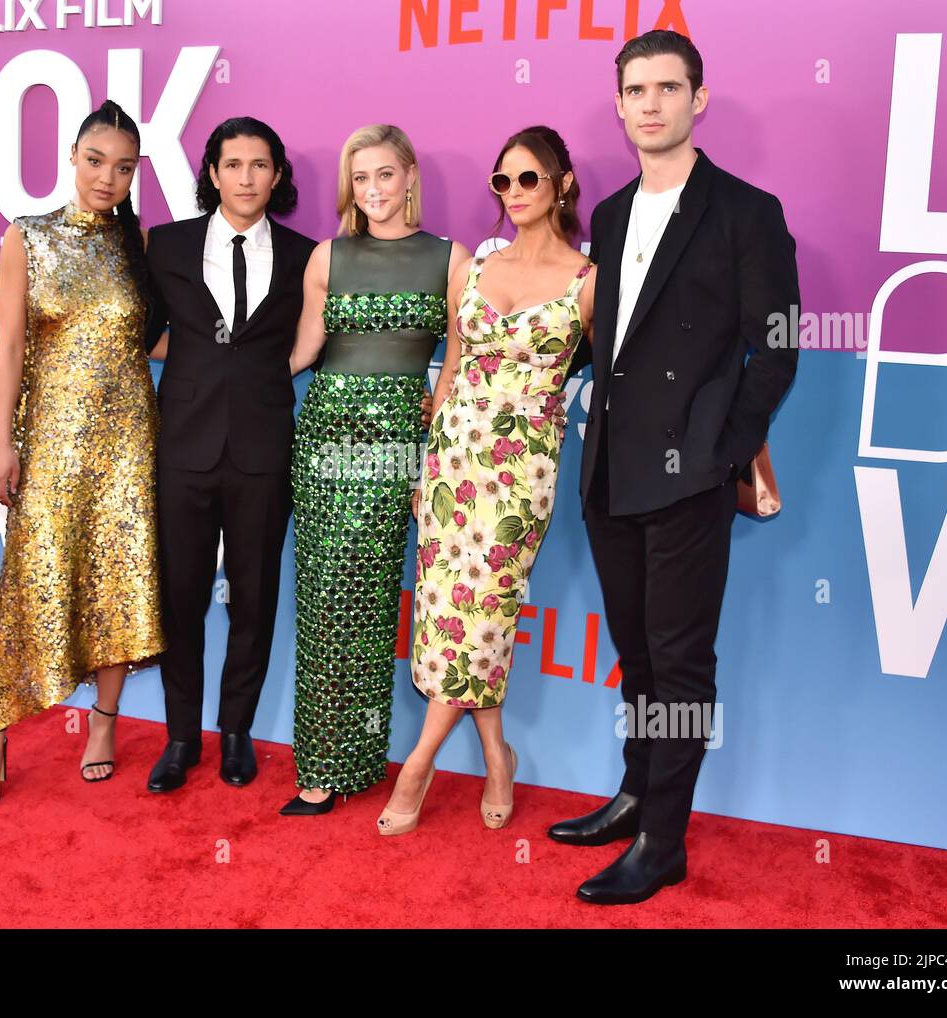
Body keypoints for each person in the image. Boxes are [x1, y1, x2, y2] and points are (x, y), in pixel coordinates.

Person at [550, 30, 799, 905]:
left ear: (698, 98)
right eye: (636, 90)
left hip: (689, 475)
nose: (650, 103)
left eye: (667, 87)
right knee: (638, 656)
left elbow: (776, 349)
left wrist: (722, 453)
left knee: (681, 662)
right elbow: (607, 344)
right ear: (619, 105)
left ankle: (664, 839)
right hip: (610, 473)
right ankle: (633, 794)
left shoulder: (745, 212)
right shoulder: (612, 215)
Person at [377, 126, 595, 836]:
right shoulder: (474, 268)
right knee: (452, 616)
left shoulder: (590, 283)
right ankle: (498, 755)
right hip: (452, 459)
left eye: (528, 179)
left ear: (561, 185)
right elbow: (450, 371)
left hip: (520, 466)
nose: (513, 193)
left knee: (486, 610)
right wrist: (422, 460)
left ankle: (417, 765)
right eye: (502, 181)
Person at [0, 100, 165, 811]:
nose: (108, 177)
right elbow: (10, 347)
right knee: (29, 583)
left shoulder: (140, 249)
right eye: (95, 161)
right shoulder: (28, 237)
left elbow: (163, 339)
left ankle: (104, 726)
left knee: (122, 578)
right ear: (72, 160)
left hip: (132, 444)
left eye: (123, 167)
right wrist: (1, 441)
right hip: (49, 440)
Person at [282, 125, 471, 815]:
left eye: (385, 176)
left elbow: (455, 360)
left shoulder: (452, 260)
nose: (374, 191)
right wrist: (225, 373)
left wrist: (435, 438)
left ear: (410, 175)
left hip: (398, 445)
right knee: (325, 603)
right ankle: (320, 769)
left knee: (370, 600)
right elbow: (304, 348)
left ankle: (360, 757)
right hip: (326, 437)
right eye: (360, 179)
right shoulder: (327, 256)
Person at [143, 118, 316, 793]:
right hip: (183, 445)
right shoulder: (166, 244)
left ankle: (236, 731)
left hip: (263, 446)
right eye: (233, 164)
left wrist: (267, 373)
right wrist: (195, 364)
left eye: (260, 165)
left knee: (256, 596)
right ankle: (181, 737)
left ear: (277, 176)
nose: (246, 177)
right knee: (179, 597)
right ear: (212, 174)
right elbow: (145, 332)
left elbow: (311, 337)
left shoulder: (308, 254)